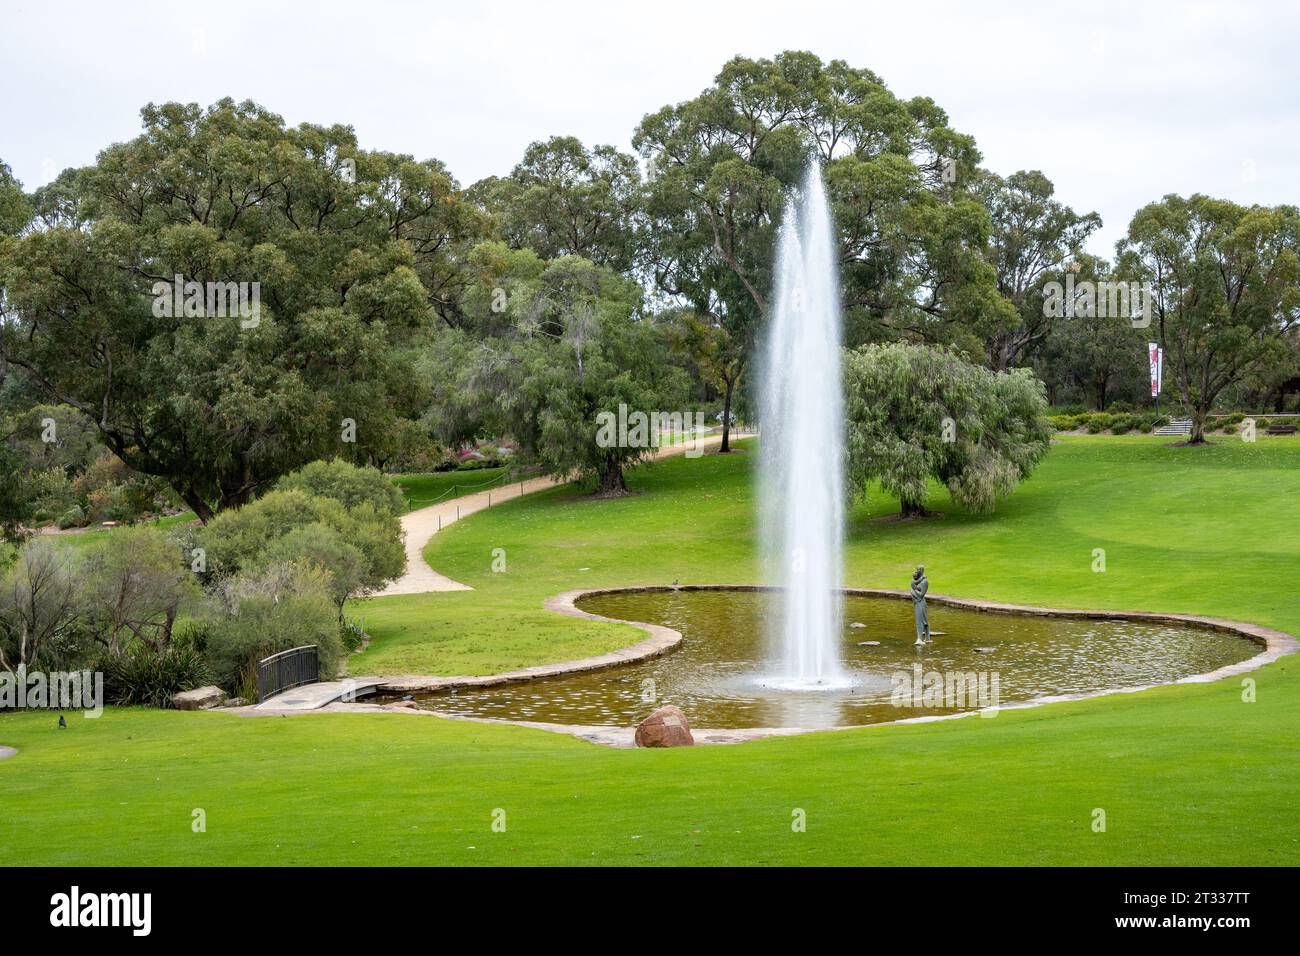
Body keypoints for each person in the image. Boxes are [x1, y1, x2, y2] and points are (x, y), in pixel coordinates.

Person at [911, 565, 931, 645]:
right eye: (917, 569)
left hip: (920, 602)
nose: (917, 571)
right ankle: (927, 638)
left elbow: (921, 595)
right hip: (919, 602)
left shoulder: (924, 581)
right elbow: (914, 583)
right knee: (924, 620)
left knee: (920, 620)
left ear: (922, 570)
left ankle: (919, 639)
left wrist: (913, 591)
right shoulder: (919, 580)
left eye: (919, 569)